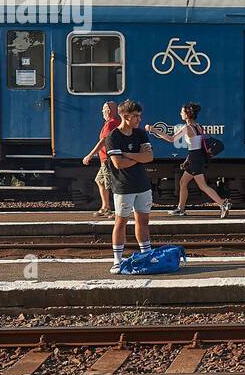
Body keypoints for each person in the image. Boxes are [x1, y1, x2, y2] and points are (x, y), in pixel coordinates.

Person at [146, 102, 230, 219]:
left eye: (182, 112)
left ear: (187, 114)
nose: (180, 113)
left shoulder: (187, 128)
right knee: (183, 182)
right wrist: (188, 160)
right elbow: (196, 146)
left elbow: (171, 139)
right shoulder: (198, 126)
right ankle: (180, 209)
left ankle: (223, 204)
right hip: (195, 157)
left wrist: (154, 130)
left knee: (203, 186)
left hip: (195, 159)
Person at [106, 100, 155, 274]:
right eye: (136, 116)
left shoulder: (141, 134)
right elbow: (118, 163)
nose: (139, 119)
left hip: (142, 184)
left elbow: (149, 157)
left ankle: (146, 255)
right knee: (121, 222)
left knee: (143, 221)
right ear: (125, 116)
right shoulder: (113, 137)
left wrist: (129, 155)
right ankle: (117, 260)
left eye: (139, 116)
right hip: (123, 186)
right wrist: (138, 157)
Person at [83, 101, 119, 218]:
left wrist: (90, 155)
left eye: (104, 110)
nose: (102, 112)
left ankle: (118, 211)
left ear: (109, 111)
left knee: (113, 185)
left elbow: (103, 141)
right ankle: (105, 207)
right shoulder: (110, 123)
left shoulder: (111, 124)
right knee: (100, 180)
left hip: (108, 159)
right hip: (104, 159)